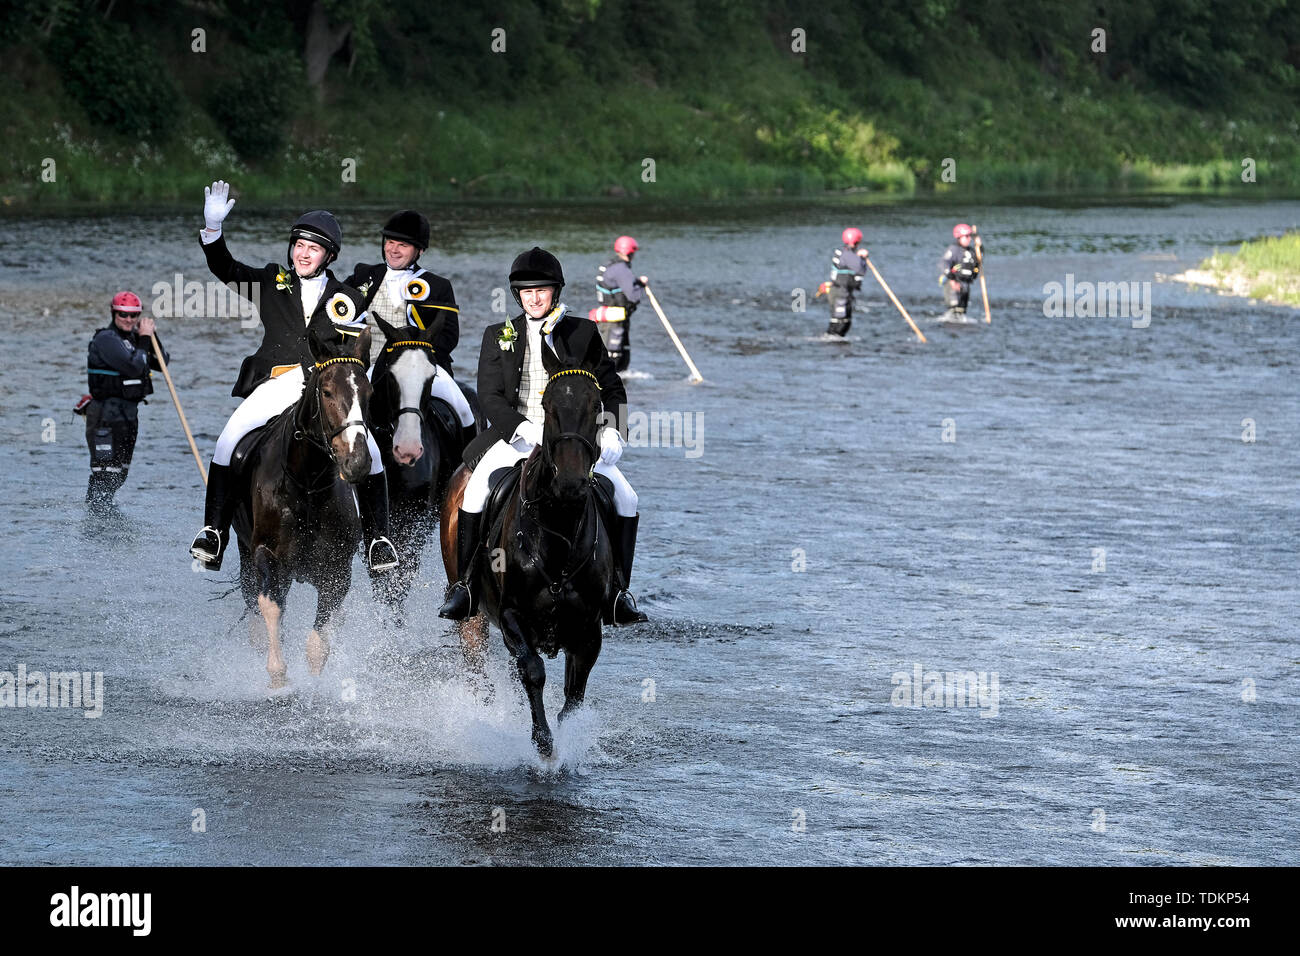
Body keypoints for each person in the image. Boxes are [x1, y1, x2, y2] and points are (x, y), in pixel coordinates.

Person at [187, 180, 398, 573]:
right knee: (228, 441)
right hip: (276, 385)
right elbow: (225, 268)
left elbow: (357, 355)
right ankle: (214, 532)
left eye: (313, 248)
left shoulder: (347, 297)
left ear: (328, 255)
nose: (303, 254)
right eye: (299, 245)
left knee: (370, 454)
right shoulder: (271, 281)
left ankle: (377, 541)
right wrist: (213, 231)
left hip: (324, 390)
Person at [438, 247, 648, 625]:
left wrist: (615, 431)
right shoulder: (498, 335)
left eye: (543, 291)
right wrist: (523, 428)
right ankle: (465, 587)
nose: (534, 298)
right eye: (527, 292)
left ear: (556, 292)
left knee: (627, 497)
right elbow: (489, 397)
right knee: (474, 492)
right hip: (515, 435)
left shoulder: (582, 332)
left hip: (573, 440)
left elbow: (612, 388)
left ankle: (618, 592)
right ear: (517, 295)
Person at [344, 210, 475, 446]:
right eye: (390, 242)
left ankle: (467, 464)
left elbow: (449, 336)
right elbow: (337, 307)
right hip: (369, 366)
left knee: (463, 408)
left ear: (420, 250)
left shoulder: (437, 286)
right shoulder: (364, 275)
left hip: (419, 367)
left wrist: (418, 359)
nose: (393, 250)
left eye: (402, 245)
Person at [83, 291, 169, 514]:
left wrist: (151, 337)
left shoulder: (135, 338)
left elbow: (161, 363)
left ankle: (103, 512)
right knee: (104, 473)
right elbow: (134, 366)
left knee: (119, 474)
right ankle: (96, 516)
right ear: (114, 313)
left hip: (128, 416)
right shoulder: (106, 340)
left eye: (134, 315)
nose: (129, 320)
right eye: (123, 314)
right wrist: (144, 338)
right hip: (105, 416)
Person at [592, 235, 648, 372]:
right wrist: (642, 286)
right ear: (631, 252)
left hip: (607, 317)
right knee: (615, 358)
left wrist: (637, 282)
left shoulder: (609, 265)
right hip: (615, 320)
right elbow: (634, 296)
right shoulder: (621, 269)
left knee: (610, 356)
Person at [826, 227, 869, 336]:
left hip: (843, 292)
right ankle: (831, 346)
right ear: (857, 241)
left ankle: (838, 346)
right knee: (839, 323)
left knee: (845, 322)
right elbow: (860, 269)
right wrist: (863, 258)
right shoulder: (846, 254)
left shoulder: (845, 253)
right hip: (840, 293)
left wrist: (860, 257)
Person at [938, 223, 983, 320]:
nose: (969, 239)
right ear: (959, 237)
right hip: (954, 283)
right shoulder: (954, 250)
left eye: (969, 236)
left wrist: (979, 246)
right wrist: (952, 280)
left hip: (966, 284)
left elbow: (979, 259)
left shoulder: (971, 251)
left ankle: (963, 330)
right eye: (966, 236)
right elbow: (943, 263)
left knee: (962, 310)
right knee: (954, 309)